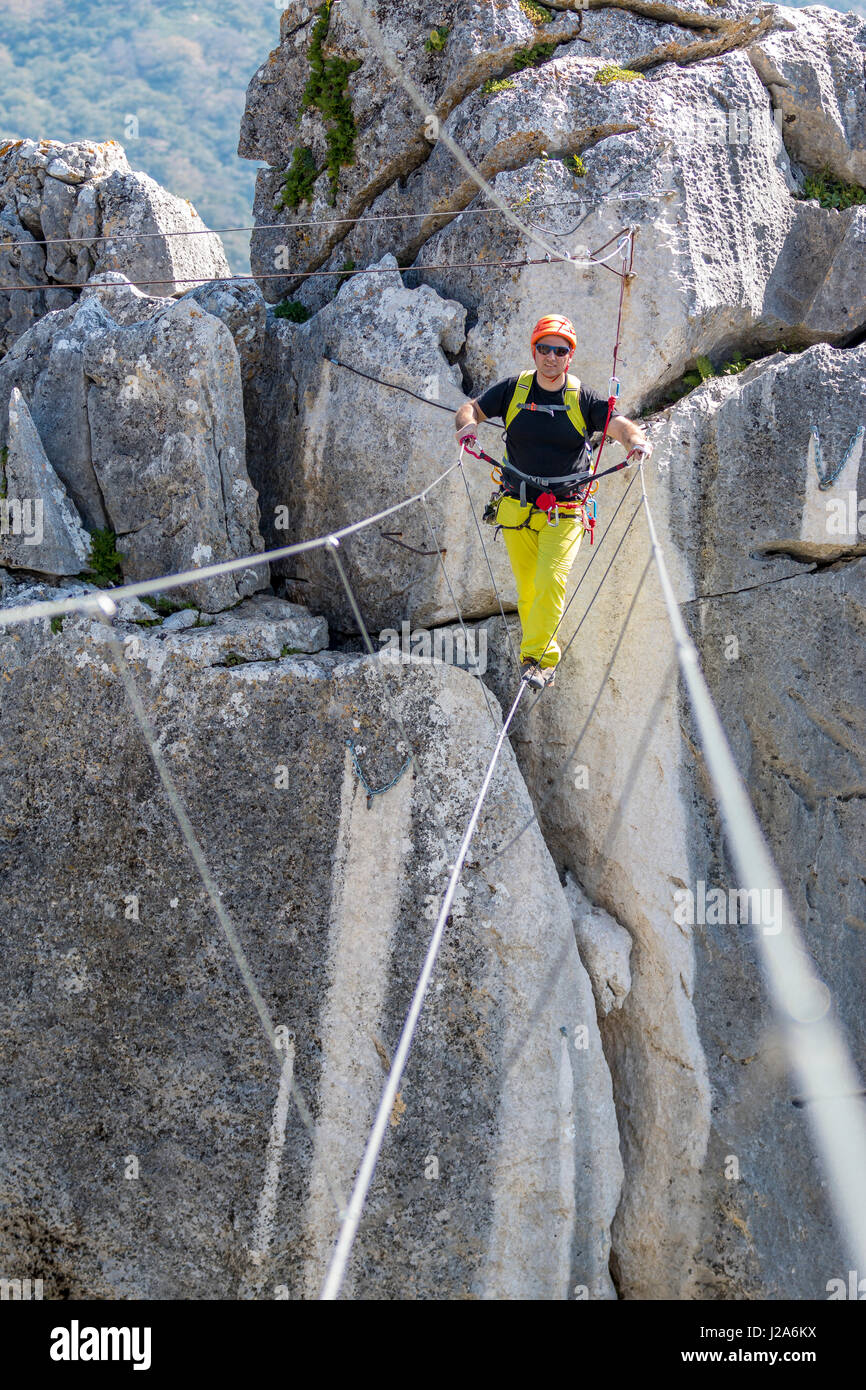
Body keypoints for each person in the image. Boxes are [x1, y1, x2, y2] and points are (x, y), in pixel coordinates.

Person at [453, 314, 652, 690]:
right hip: (516, 507)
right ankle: (533, 656)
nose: (551, 357)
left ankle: (541, 661)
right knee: (529, 588)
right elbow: (471, 409)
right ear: (534, 350)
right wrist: (467, 427)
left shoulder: (583, 398)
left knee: (549, 580)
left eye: (560, 350)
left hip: (565, 511)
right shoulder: (514, 390)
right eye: (544, 348)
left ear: (569, 357)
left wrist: (635, 442)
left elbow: (619, 425)